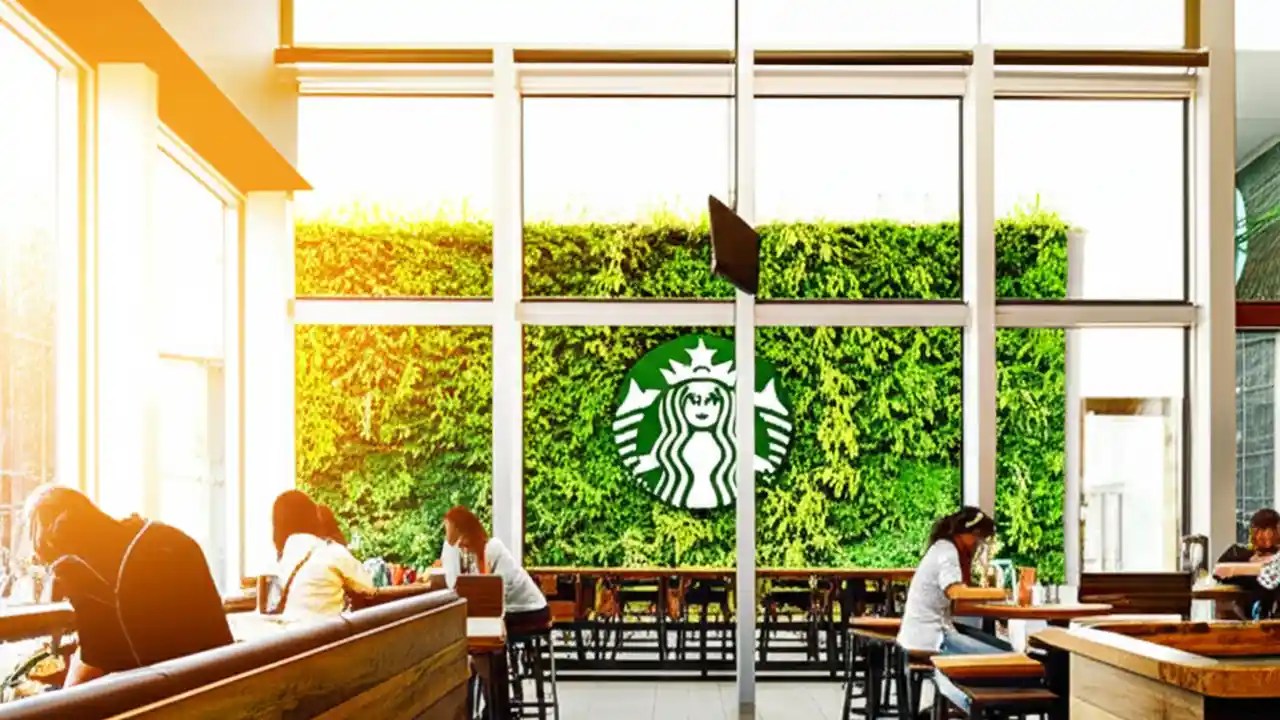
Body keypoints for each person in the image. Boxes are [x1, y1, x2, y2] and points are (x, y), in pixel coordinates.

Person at [23, 485, 232, 687]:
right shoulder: (164, 537)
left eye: (48, 560)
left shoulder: (94, 572)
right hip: (222, 686)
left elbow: (90, 670)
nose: (55, 574)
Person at [898, 507, 1007, 718]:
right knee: (1003, 659)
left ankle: (971, 703)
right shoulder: (948, 552)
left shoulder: (942, 547)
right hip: (931, 637)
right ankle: (976, 706)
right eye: (981, 539)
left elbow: (957, 600)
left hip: (924, 632)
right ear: (969, 534)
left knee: (1001, 648)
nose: (980, 545)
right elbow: (955, 591)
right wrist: (1000, 592)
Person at [440, 506, 548, 634]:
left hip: (532, 611)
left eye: (462, 538)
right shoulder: (476, 559)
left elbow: (498, 594)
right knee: (474, 623)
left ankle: (487, 651)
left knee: (480, 626)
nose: (461, 545)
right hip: (514, 610)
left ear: (469, 533)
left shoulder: (494, 548)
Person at [271, 490, 374, 620]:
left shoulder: (279, 563)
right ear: (313, 517)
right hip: (326, 636)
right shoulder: (332, 553)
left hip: (289, 636)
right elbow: (368, 587)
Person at [1215, 509, 1280, 619]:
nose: (1268, 535)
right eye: (1262, 529)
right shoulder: (1239, 554)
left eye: (1273, 529)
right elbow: (1218, 571)